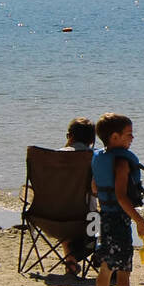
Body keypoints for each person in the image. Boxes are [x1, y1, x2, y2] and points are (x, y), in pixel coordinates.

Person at [91, 113, 144, 286]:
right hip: (119, 221)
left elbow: (94, 188)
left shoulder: (99, 158)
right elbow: (121, 196)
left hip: (104, 218)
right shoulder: (122, 162)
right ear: (114, 137)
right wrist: (139, 220)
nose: (132, 138)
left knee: (106, 266)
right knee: (124, 272)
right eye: (128, 134)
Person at [60, 118, 97, 277]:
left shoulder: (53, 156)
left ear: (70, 136)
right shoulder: (95, 157)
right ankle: (74, 259)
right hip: (86, 218)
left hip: (48, 217)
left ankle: (70, 260)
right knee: (100, 218)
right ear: (91, 140)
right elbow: (96, 189)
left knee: (64, 209)